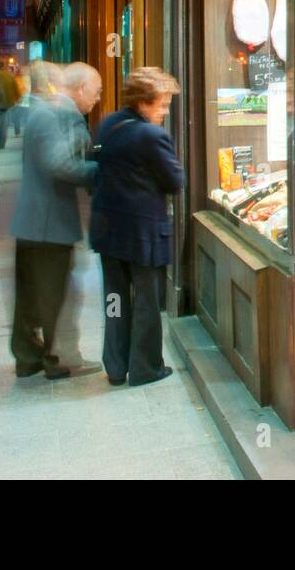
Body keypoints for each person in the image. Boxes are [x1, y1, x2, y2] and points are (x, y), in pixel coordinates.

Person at [90, 67, 184, 387]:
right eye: (162, 104)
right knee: (146, 299)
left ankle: (115, 365)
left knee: (114, 298)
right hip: (143, 232)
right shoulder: (151, 136)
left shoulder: (109, 125)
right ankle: (145, 367)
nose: (165, 111)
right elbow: (175, 180)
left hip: (108, 228)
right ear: (144, 102)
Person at [9, 62, 101, 379]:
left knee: (31, 297)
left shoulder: (42, 113)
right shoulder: (55, 116)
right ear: (77, 89)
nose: (97, 98)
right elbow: (60, 164)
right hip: (48, 224)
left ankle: (27, 357)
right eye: (95, 91)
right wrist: (100, 172)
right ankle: (59, 358)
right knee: (54, 295)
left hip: (34, 222)